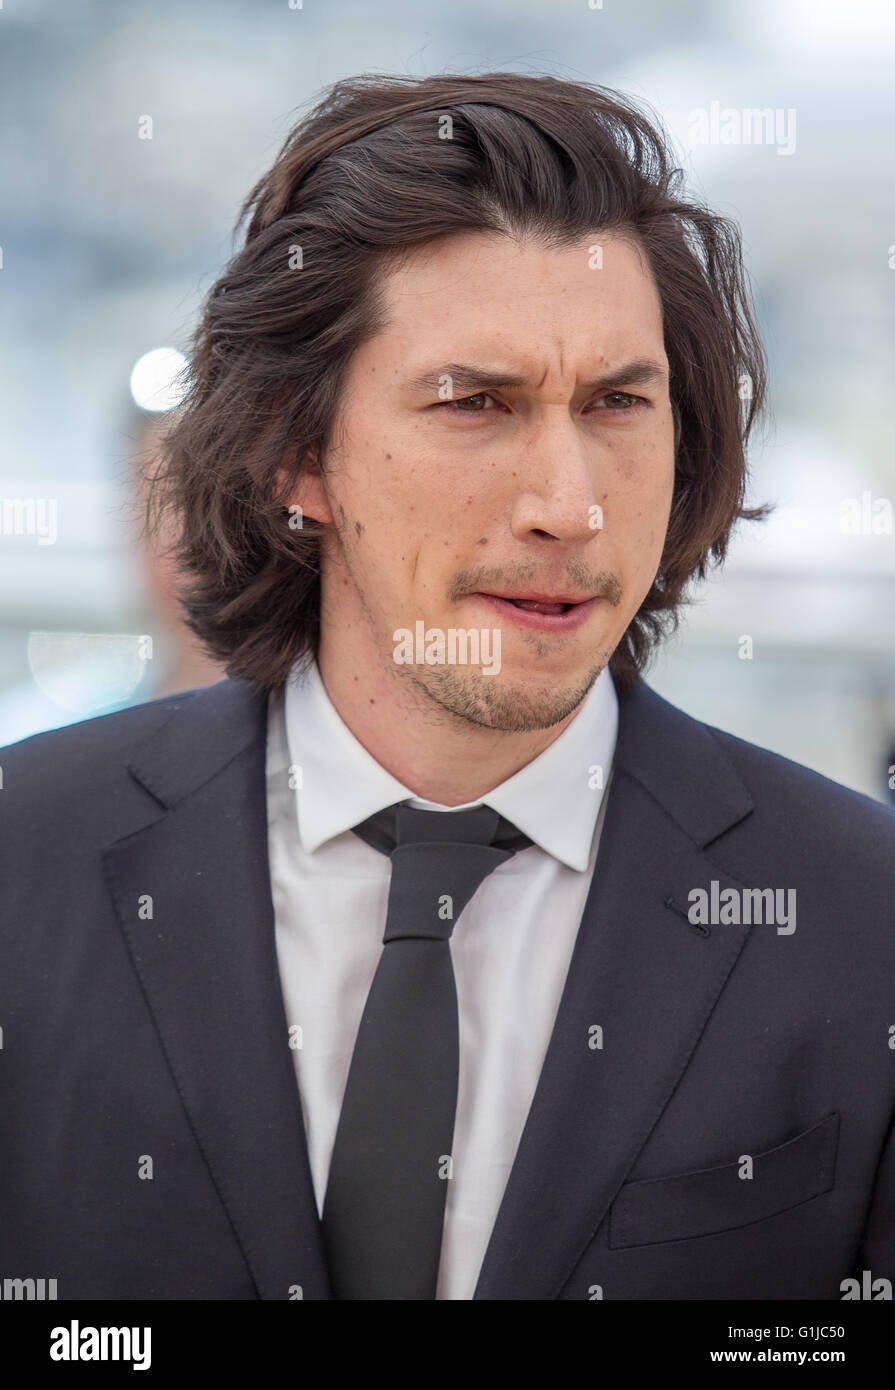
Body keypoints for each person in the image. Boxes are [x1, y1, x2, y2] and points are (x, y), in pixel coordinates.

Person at [1, 71, 893, 1302]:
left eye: (619, 403)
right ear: (291, 455)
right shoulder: (24, 859)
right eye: (476, 402)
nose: (567, 505)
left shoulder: (861, 913)